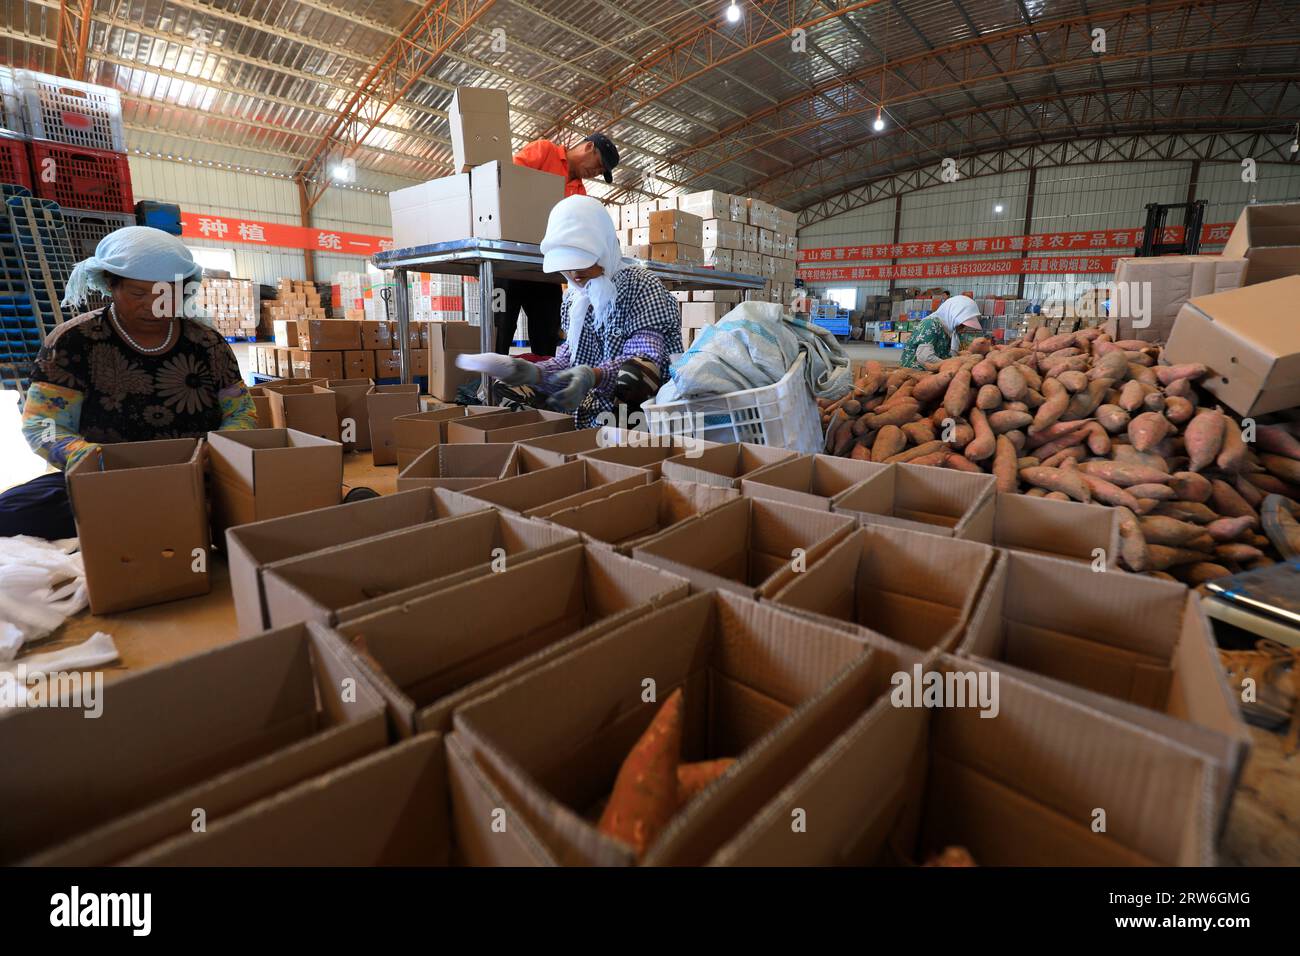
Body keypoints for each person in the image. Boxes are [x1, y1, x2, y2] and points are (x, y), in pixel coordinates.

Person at [0, 227, 257, 539]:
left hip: (197, 476)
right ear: (110, 284)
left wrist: (217, 450)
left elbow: (241, 412)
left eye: (167, 293)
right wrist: (85, 456)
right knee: (11, 513)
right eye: (138, 293)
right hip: (107, 480)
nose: (152, 304)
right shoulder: (74, 341)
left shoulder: (206, 343)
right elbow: (44, 423)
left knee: (286, 494)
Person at [458, 194, 681, 430]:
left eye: (582, 261)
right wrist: (533, 373)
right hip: (589, 403)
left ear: (604, 248)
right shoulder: (574, 299)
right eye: (567, 264)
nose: (574, 273)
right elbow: (568, 359)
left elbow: (646, 361)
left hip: (638, 405)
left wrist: (593, 376)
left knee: (633, 377)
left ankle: (623, 451)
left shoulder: (641, 286)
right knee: (505, 389)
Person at [494, 133, 621, 358]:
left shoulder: (580, 193)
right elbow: (506, 181)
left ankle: (541, 388)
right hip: (509, 262)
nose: (597, 172)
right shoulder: (544, 152)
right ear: (589, 147)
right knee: (499, 333)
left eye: (601, 173)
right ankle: (489, 389)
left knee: (546, 336)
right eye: (599, 165)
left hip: (546, 271)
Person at [898, 295, 983, 369]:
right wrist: (953, 363)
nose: (963, 329)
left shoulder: (949, 329)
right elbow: (925, 357)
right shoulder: (930, 324)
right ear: (953, 314)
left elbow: (945, 354)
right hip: (915, 372)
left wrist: (960, 355)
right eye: (962, 324)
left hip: (934, 372)